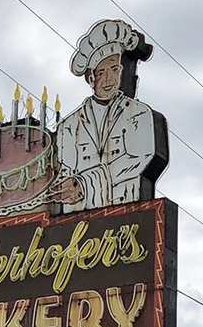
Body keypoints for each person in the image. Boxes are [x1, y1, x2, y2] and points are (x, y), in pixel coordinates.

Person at [50, 19, 168, 212]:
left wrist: (85, 184)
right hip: (76, 225)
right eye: (102, 72)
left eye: (114, 70)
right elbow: (64, 171)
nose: (109, 80)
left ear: (121, 71)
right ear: (90, 78)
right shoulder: (68, 126)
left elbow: (141, 158)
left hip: (127, 218)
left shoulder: (140, 113)